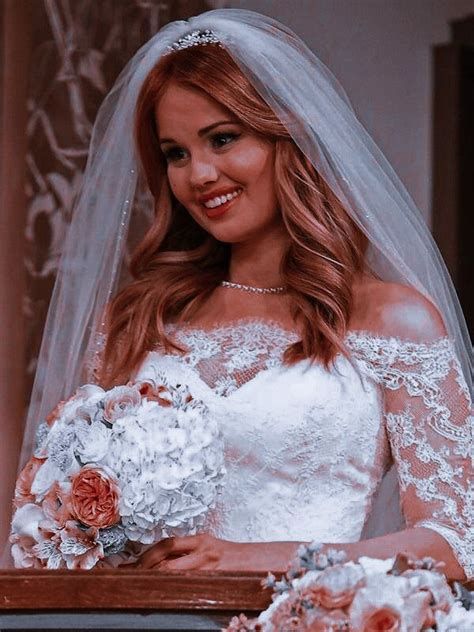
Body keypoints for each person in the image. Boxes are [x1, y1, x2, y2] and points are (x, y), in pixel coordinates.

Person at [5, 10, 472, 580]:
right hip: (146, 617)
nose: (199, 175)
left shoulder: (394, 320)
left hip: (302, 614)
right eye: (175, 153)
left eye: (223, 139)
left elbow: (455, 544)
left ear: (290, 139)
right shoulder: (136, 320)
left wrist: (258, 560)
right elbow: (71, 527)